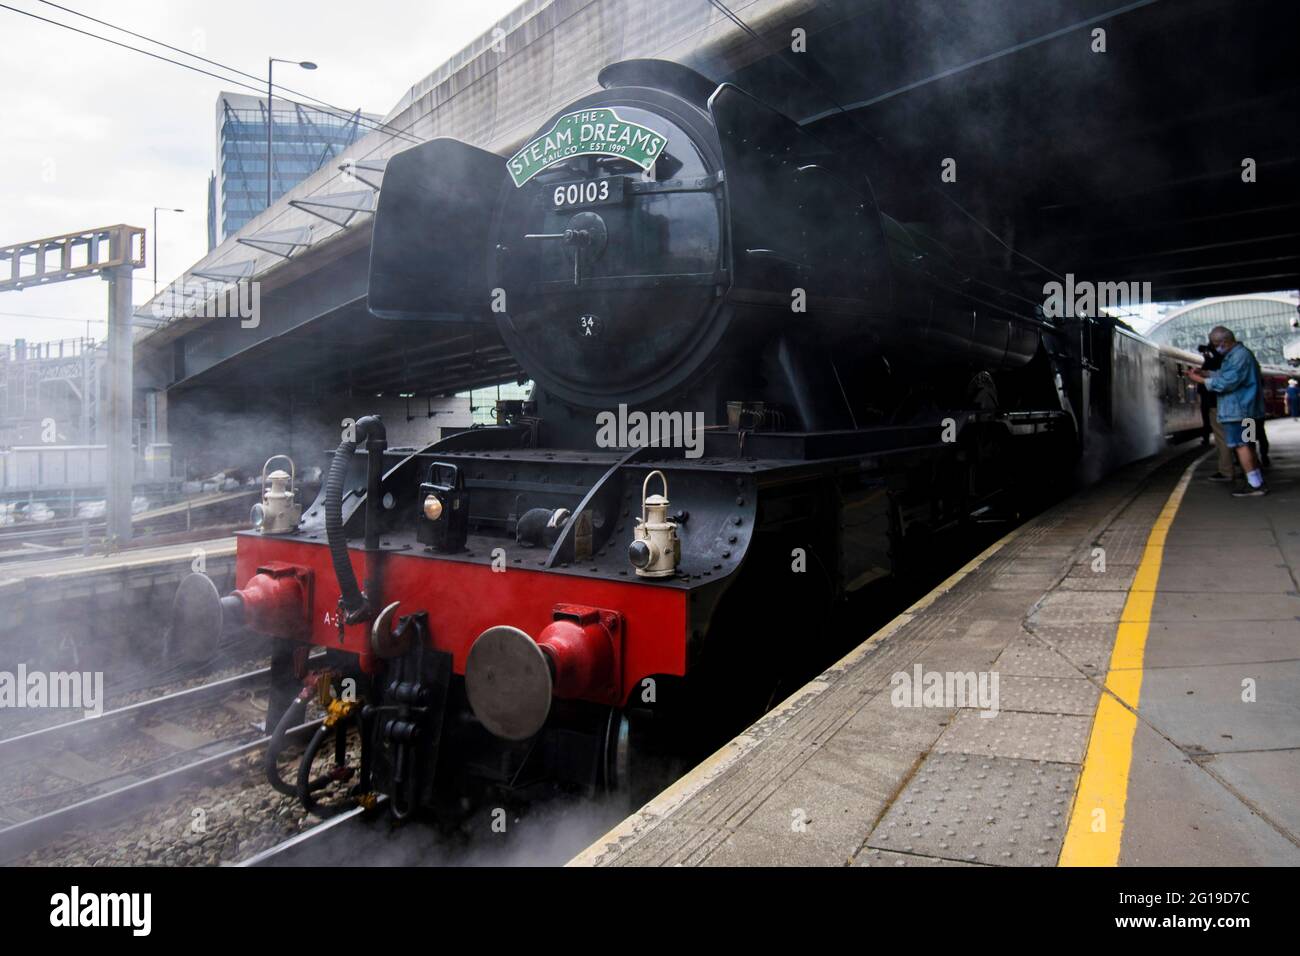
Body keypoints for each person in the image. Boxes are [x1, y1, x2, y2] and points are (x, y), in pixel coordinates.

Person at [1187, 326, 1267, 497]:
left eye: (1216, 344)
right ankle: (1257, 481)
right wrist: (1206, 373)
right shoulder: (1239, 355)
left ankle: (1254, 485)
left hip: (1238, 411)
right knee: (1249, 444)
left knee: (1241, 446)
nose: (1216, 347)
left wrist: (1199, 380)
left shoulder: (1238, 357)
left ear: (1224, 342)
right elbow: (1224, 375)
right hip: (1246, 410)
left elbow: (1226, 383)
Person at [1196, 343, 1235, 481]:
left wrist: (1202, 378)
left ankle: (1232, 471)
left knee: (1230, 440)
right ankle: (1253, 472)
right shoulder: (1241, 358)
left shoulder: (1232, 360)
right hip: (1248, 409)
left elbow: (1224, 382)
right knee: (1248, 441)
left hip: (1232, 407)